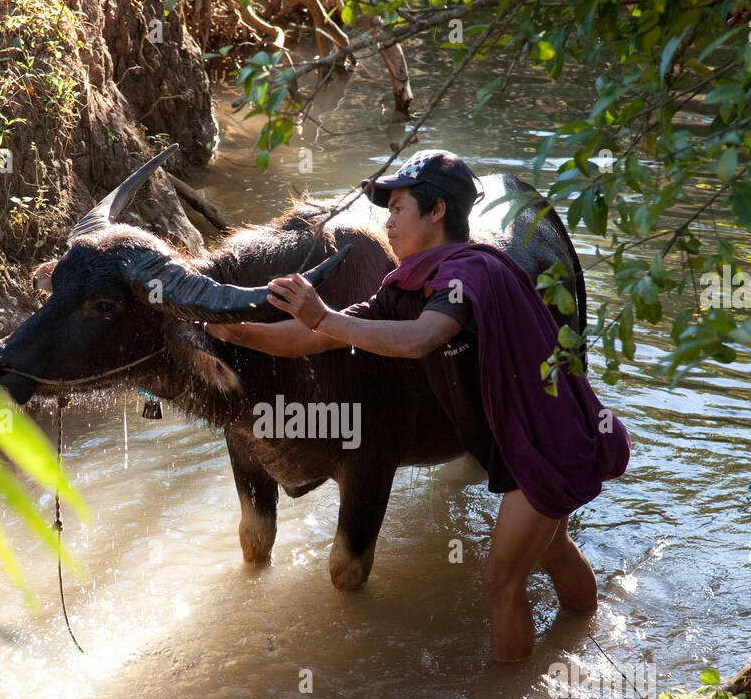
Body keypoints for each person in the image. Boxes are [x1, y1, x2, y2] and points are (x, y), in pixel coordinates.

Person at [205, 149, 630, 662]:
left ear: (436, 213)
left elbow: (419, 340)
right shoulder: (409, 284)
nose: (387, 221)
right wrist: (235, 332)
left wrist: (323, 317)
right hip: (521, 438)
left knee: (501, 579)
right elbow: (312, 340)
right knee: (550, 550)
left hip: (545, 444)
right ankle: (592, 636)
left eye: (399, 208)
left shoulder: (469, 274)